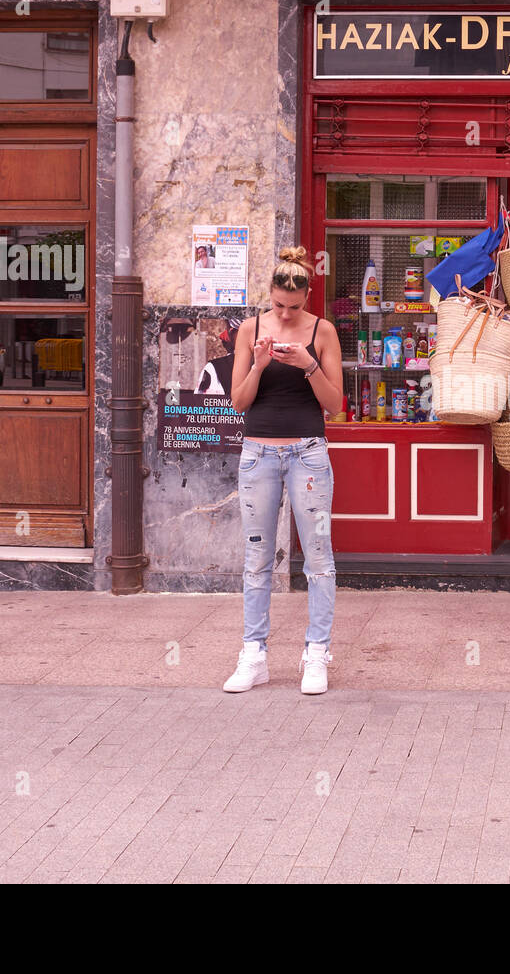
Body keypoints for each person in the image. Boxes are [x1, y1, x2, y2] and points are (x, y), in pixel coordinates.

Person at [223, 246, 343, 695]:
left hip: (308, 454)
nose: (287, 314)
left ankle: (317, 655)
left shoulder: (324, 331)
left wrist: (308, 364)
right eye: (278, 305)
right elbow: (239, 402)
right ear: (268, 296)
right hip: (258, 454)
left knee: (318, 559)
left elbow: (335, 405)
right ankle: (254, 656)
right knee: (256, 559)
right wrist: (259, 364)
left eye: (295, 306)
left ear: (309, 296)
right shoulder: (250, 329)